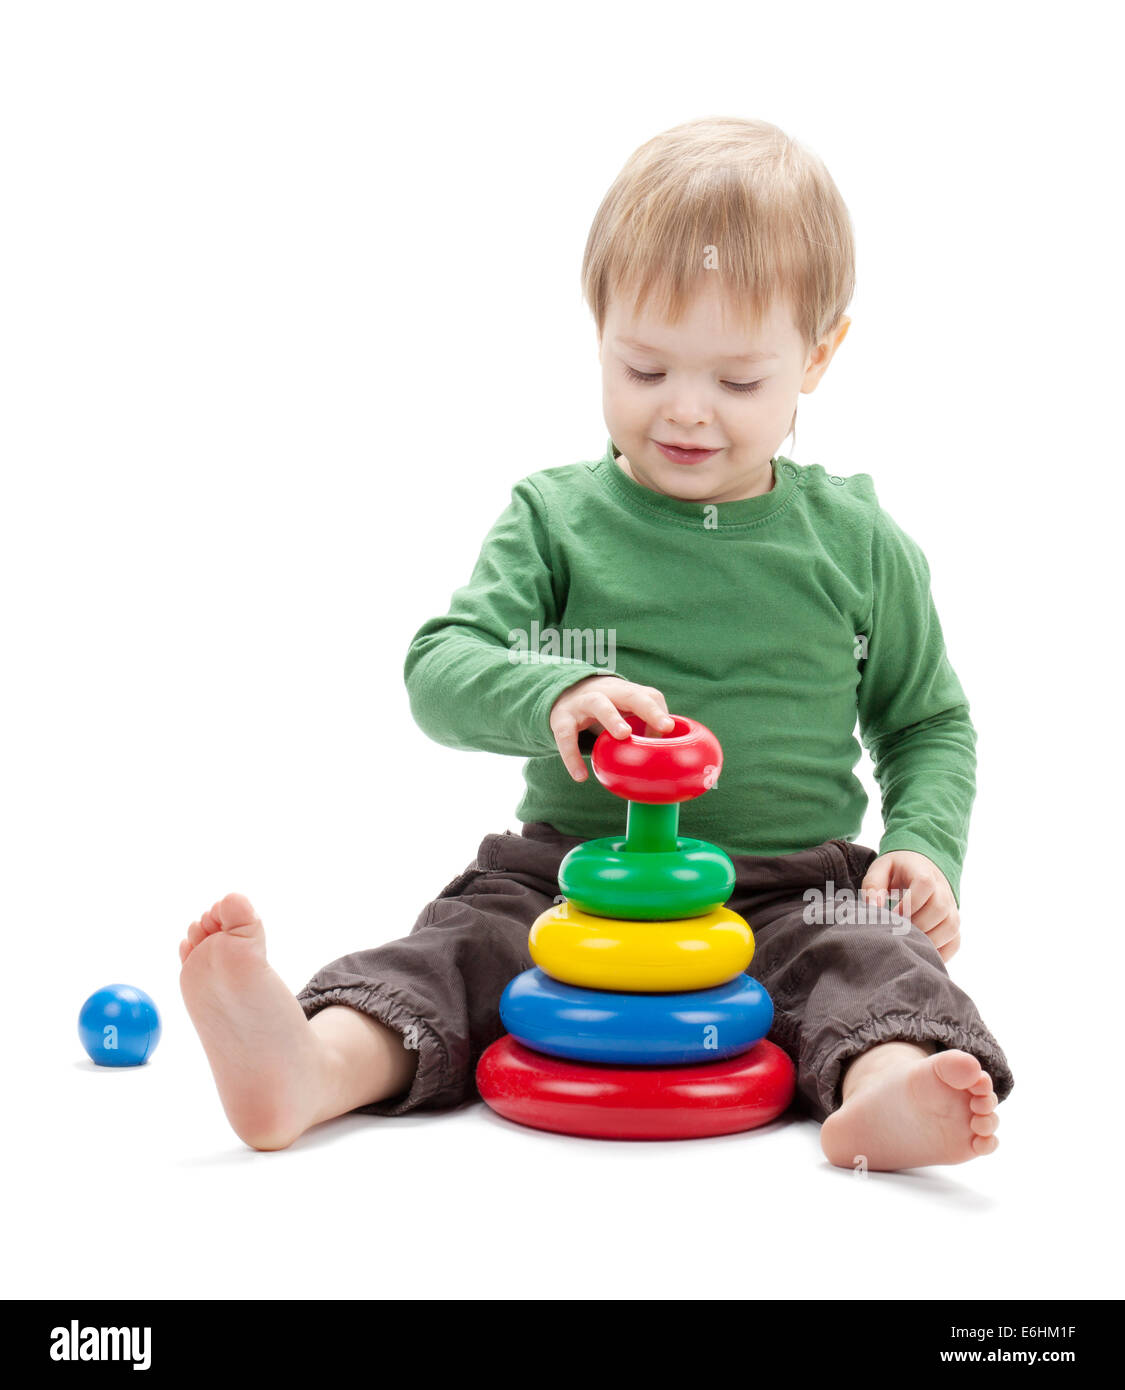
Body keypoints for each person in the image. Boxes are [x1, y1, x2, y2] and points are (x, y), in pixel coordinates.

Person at [179, 116, 1013, 1168]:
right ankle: (310, 1065)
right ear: (600, 329)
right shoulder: (556, 517)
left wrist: (924, 849)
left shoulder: (858, 542)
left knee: (878, 964)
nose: (688, 413)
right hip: (565, 877)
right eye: (646, 368)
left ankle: (888, 1095)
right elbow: (441, 665)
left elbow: (927, 718)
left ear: (820, 354)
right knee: (456, 953)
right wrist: (554, 693)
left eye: (740, 382)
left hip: (795, 885)